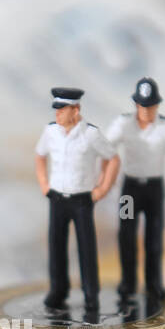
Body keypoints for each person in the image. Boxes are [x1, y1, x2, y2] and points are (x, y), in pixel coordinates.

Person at [34, 86, 119, 313]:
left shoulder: (91, 134)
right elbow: (40, 155)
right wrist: (43, 183)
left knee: (86, 247)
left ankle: (91, 295)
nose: (57, 114)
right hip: (57, 198)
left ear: (76, 109)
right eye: (56, 109)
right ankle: (58, 290)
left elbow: (112, 159)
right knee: (56, 246)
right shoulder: (51, 132)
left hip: (82, 199)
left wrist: (102, 188)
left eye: (62, 109)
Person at [105, 77, 165, 301]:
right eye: (143, 106)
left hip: (154, 189)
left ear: (157, 106)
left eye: (151, 106)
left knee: (154, 237)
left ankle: (153, 284)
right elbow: (105, 147)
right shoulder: (123, 124)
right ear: (136, 105)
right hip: (130, 188)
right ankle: (128, 283)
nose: (146, 110)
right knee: (126, 234)